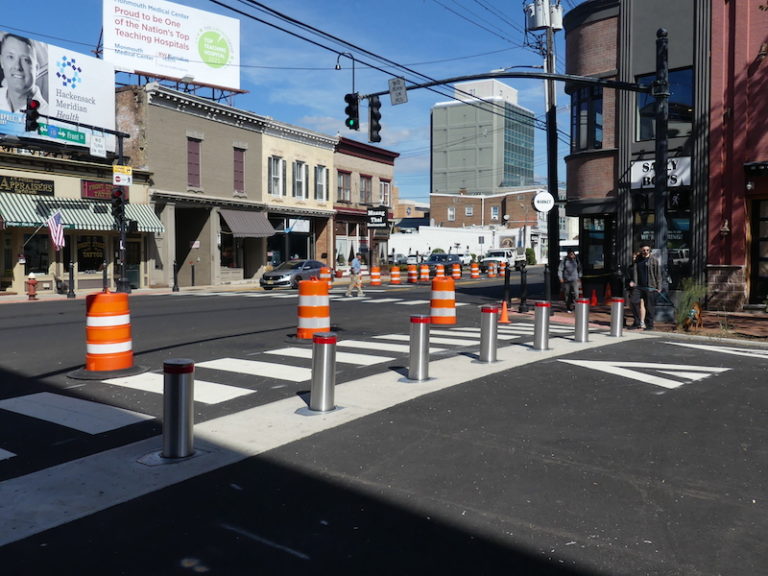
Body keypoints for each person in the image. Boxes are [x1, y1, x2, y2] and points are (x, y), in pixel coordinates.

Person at [0, 34, 48, 116]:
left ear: (36, 69)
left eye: (25, 60)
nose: (18, 66)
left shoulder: (48, 115)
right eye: (11, 57)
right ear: (1, 61)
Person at [627, 244, 660, 329]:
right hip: (638, 286)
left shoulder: (654, 260)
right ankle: (637, 322)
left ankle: (649, 324)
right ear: (641, 250)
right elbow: (634, 271)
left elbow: (658, 274)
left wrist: (658, 286)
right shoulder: (638, 260)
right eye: (644, 250)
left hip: (650, 286)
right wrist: (633, 281)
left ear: (650, 250)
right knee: (633, 302)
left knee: (649, 306)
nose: (645, 252)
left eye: (647, 250)